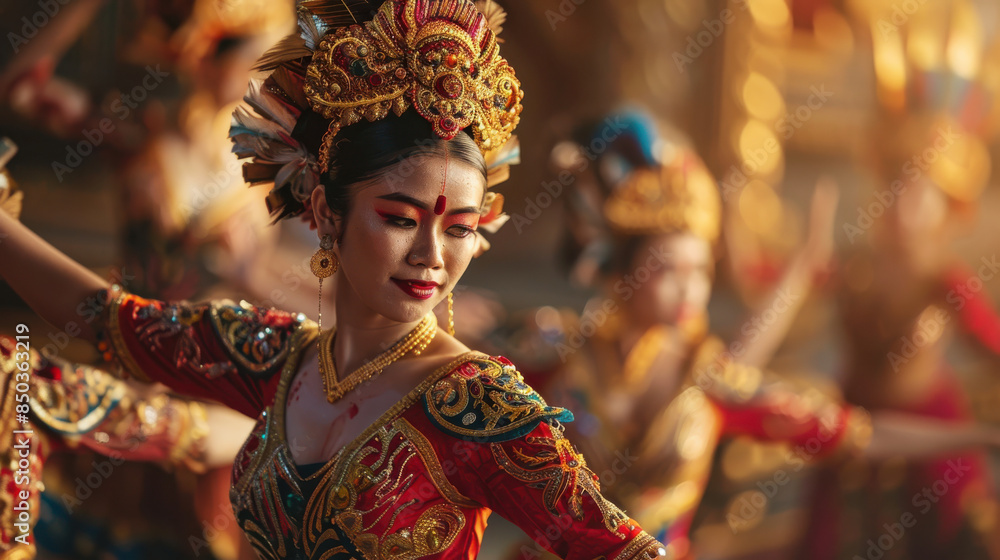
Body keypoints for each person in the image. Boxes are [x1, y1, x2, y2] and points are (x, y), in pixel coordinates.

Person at [0, 1, 669, 558]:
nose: (432, 254)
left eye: (461, 227)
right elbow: (105, 317)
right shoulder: (274, 358)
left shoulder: (482, 409)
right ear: (325, 212)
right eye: (400, 219)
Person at [525, 111, 1000, 559]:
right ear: (620, 273)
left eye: (701, 270)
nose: (692, 287)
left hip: (917, 428)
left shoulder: (711, 378)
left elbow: (858, 432)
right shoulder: (558, 348)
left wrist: (982, 435)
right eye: (668, 268)